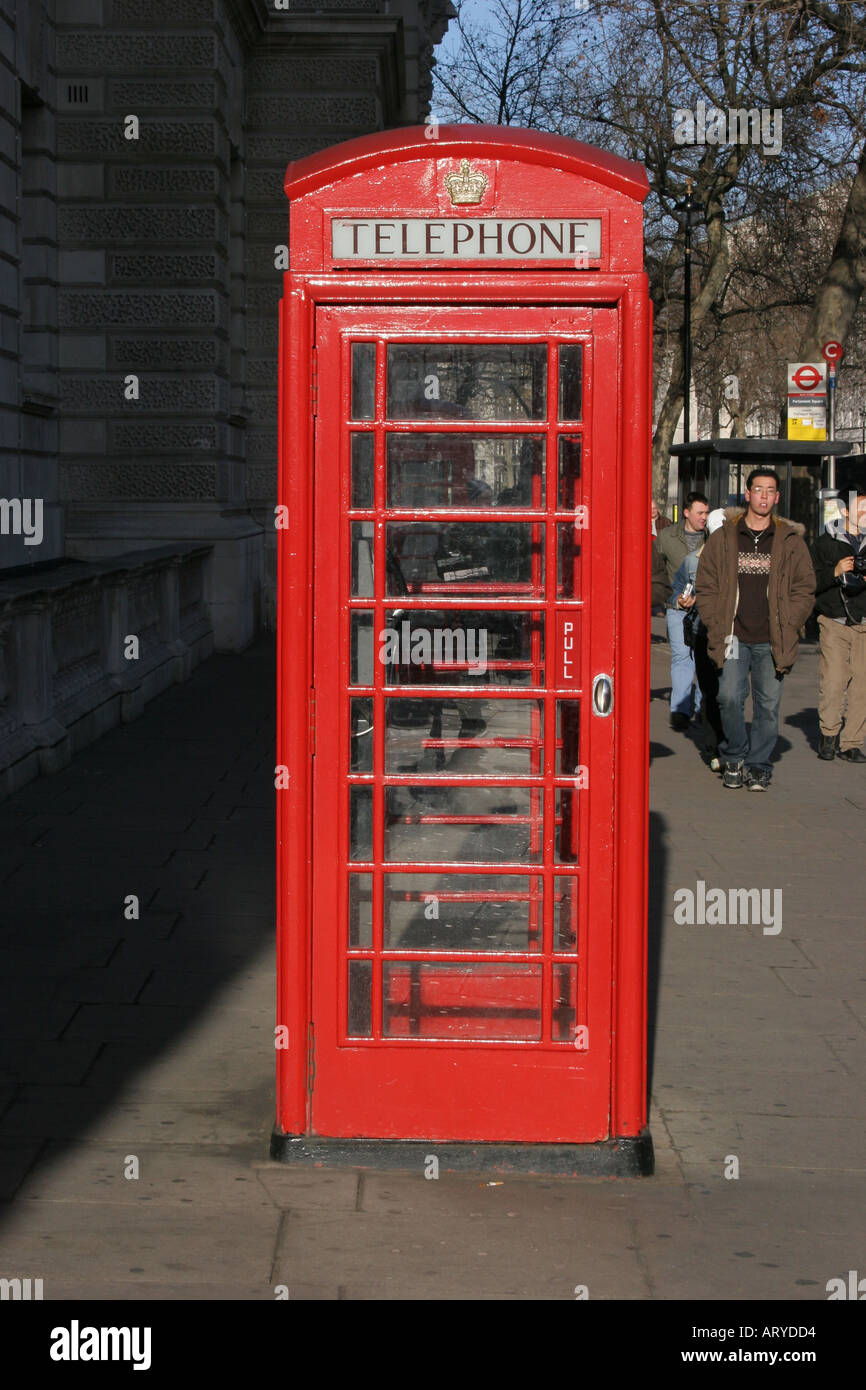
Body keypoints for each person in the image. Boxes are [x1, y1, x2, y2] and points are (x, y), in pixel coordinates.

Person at [695, 469, 815, 791]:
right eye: (758, 490)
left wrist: (791, 622)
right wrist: (714, 620)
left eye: (770, 491)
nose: (763, 496)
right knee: (729, 698)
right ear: (747, 494)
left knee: (767, 705)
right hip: (731, 635)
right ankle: (734, 755)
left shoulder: (789, 541)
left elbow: (805, 587)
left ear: (777, 498)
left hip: (773, 637)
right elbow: (705, 584)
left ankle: (758, 764)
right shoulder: (725, 537)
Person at [811, 493, 866, 763]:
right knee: (833, 681)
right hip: (834, 619)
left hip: (864, 623)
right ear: (846, 511)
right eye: (862, 506)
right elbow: (809, 581)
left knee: (862, 685)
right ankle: (829, 735)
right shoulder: (824, 544)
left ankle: (852, 743)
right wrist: (835, 571)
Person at [670, 508, 726, 769]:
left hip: (734, 636)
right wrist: (681, 601)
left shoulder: (741, 563)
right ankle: (714, 747)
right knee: (710, 691)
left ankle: (728, 744)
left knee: (732, 693)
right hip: (703, 632)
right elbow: (677, 592)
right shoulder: (693, 561)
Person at [656, 491, 709, 730]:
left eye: (706, 513)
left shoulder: (714, 537)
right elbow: (656, 572)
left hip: (706, 606)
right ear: (686, 513)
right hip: (677, 606)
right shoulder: (667, 537)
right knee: (681, 656)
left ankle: (699, 707)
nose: (704, 518)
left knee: (703, 659)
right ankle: (680, 709)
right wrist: (670, 596)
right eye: (700, 513)